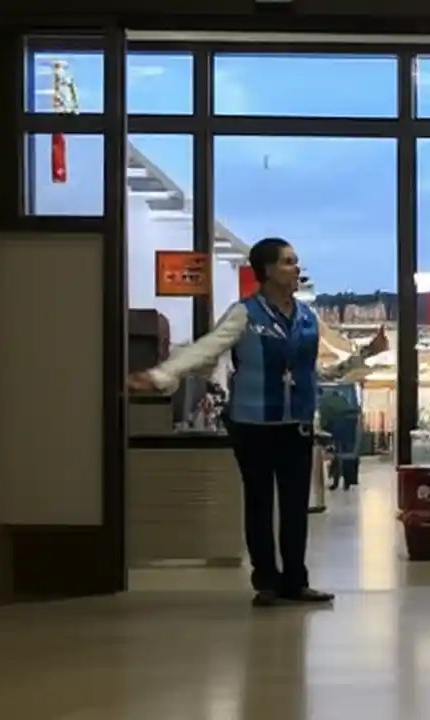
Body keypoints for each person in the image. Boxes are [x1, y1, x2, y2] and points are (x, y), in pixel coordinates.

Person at [128, 237, 387, 607]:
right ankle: (266, 582)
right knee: (260, 503)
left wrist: (365, 355)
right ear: (266, 271)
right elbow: (209, 347)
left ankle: (296, 582)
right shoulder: (245, 313)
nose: (296, 268)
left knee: (296, 508)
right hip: (252, 425)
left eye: (296, 262)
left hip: (296, 425)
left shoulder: (307, 319)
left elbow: (318, 374)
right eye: (288, 262)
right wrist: (161, 375)